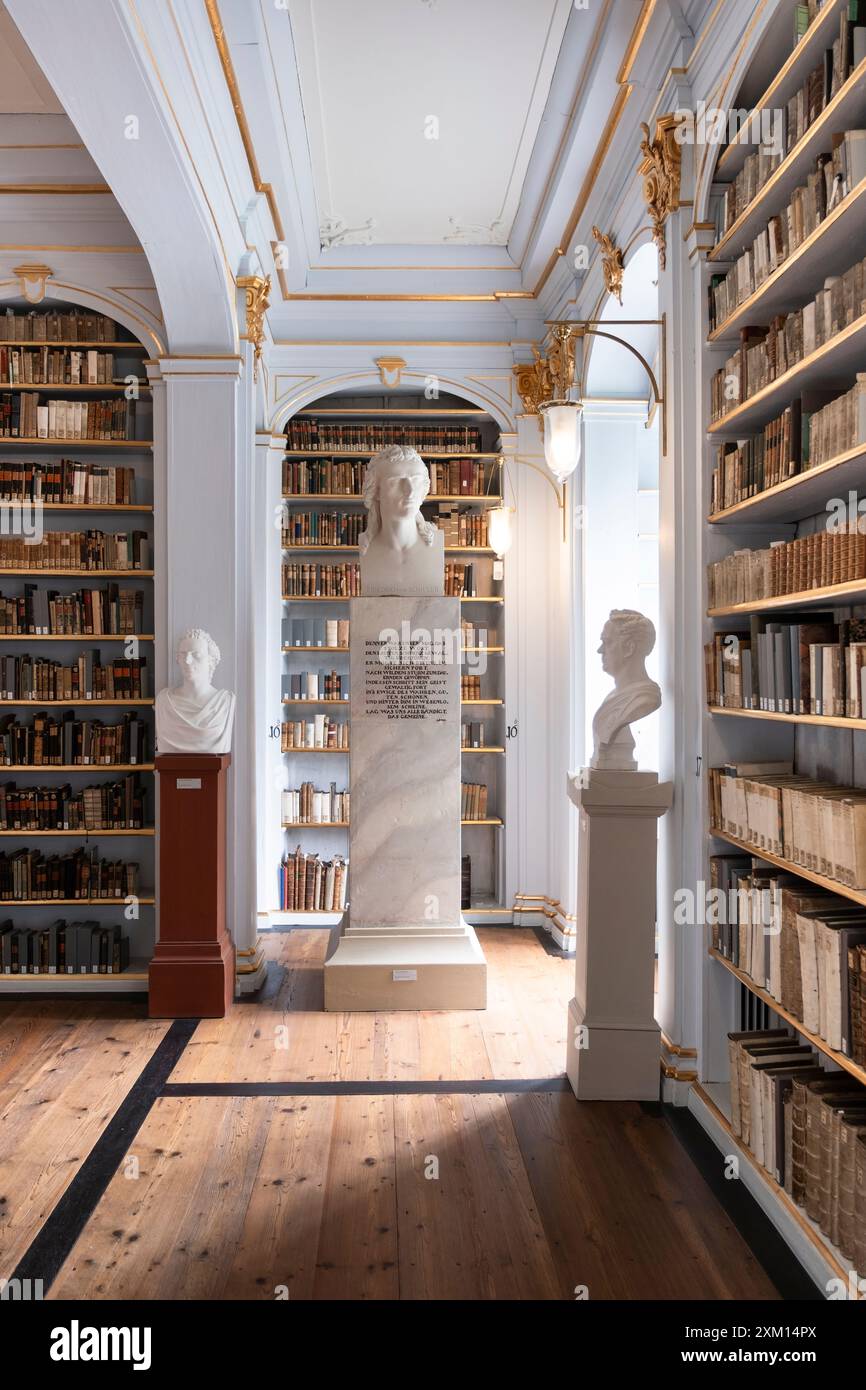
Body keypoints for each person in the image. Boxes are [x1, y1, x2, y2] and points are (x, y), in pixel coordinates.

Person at [359, 445, 444, 596]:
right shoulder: (367, 548)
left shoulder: (434, 544)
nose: (409, 491)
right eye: (396, 481)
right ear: (376, 491)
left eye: (416, 480)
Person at [591, 609, 661, 770]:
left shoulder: (645, 698)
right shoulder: (612, 697)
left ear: (629, 648)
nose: (600, 650)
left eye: (607, 642)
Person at [155, 627, 235, 754]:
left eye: (196, 655)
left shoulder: (224, 701)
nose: (187, 661)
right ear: (177, 659)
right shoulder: (164, 701)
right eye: (183, 654)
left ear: (210, 660)